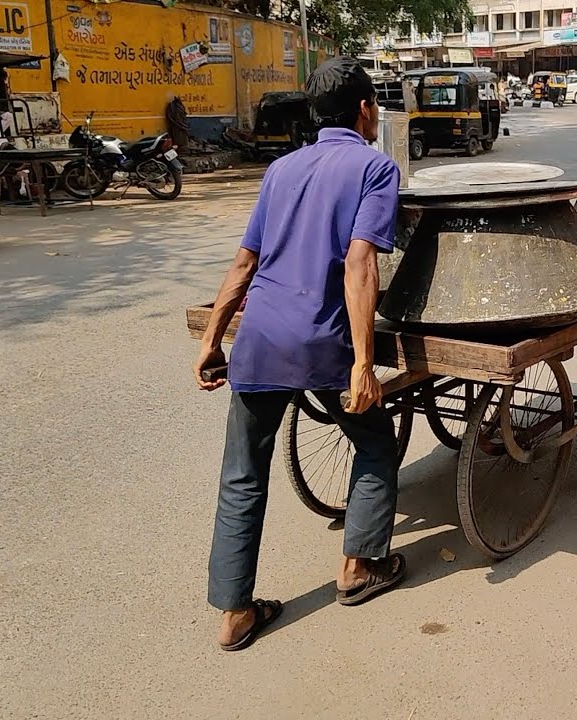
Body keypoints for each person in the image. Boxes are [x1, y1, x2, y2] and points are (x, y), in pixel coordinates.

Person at [194, 56, 405, 652]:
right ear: (366, 110)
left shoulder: (281, 169)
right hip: (322, 342)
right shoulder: (374, 168)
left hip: (258, 339)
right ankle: (358, 568)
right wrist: (364, 363)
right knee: (373, 442)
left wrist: (213, 341)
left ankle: (235, 614)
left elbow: (244, 264)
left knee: (242, 475)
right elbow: (361, 263)